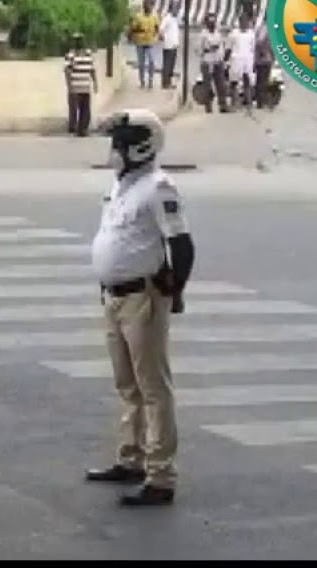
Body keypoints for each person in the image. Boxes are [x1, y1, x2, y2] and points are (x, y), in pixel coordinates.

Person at [85, 108, 195, 508]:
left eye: (122, 143)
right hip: (114, 296)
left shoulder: (158, 188)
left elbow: (181, 245)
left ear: (142, 146)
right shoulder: (121, 186)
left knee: (152, 387)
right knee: (126, 385)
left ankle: (161, 474)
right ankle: (131, 458)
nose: (115, 150)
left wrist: (173, 288)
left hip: (141, 298)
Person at [64, 33, 97, 137]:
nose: (79, 43)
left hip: (85, 86)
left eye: (81, 40)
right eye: (77, 41)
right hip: (75, 86)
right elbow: (67, 71)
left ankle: (82, 129)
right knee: (74, 109)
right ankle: (73, 127)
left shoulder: (88, 54)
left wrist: (95, 82)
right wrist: (69, 86)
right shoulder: (71, 55)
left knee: (85, 110)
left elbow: (92, 70)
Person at [127, 0, 161, 91]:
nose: (148, 7)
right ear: (144, 6)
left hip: (150, 42)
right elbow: (132, 28)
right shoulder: (139, 17)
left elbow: (157, 27)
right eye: (146, 5)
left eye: (150, 5)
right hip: (140, 42)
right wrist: (129, 37)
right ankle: (142, 81)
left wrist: (158, 36)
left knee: (151, 61)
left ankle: (150, 80)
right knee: (141, 63)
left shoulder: (154, 16)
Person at [196, 13, 228, 114]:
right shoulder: (203, 35)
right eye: (210, 22)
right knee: (207, 86)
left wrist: (222, 58)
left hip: (218, 61)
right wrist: (207, 49)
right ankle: (208, 106)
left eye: (213, 21)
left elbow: (222, 46)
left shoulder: (218, 33)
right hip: (207, 61)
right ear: (206, 23)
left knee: (221, 84)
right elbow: (197, 49)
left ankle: (223, 105)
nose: (212, 24)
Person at [227, 14, 256, 110]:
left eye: (246, 22)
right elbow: (229, 48)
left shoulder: (251, 34)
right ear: (239, 23)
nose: (244, 24)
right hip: (236, 60)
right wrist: (225, 59)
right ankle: (235, 104)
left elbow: (253, 48)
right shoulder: (234, 34)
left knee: (246, 82)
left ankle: (248, 103)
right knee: (234, 83)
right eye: (242, 22)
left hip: (247, 61)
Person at [159, 4, 181, 90]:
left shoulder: (174, 19)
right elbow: (161, 29)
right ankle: (165, 83)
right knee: (167, 65)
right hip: (168, 45)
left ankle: (168, 82)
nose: (177, 11)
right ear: (171, 9)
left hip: (174, 45)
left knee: (171, 65)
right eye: (176, 9)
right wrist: (163, 38)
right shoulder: (167, 18)